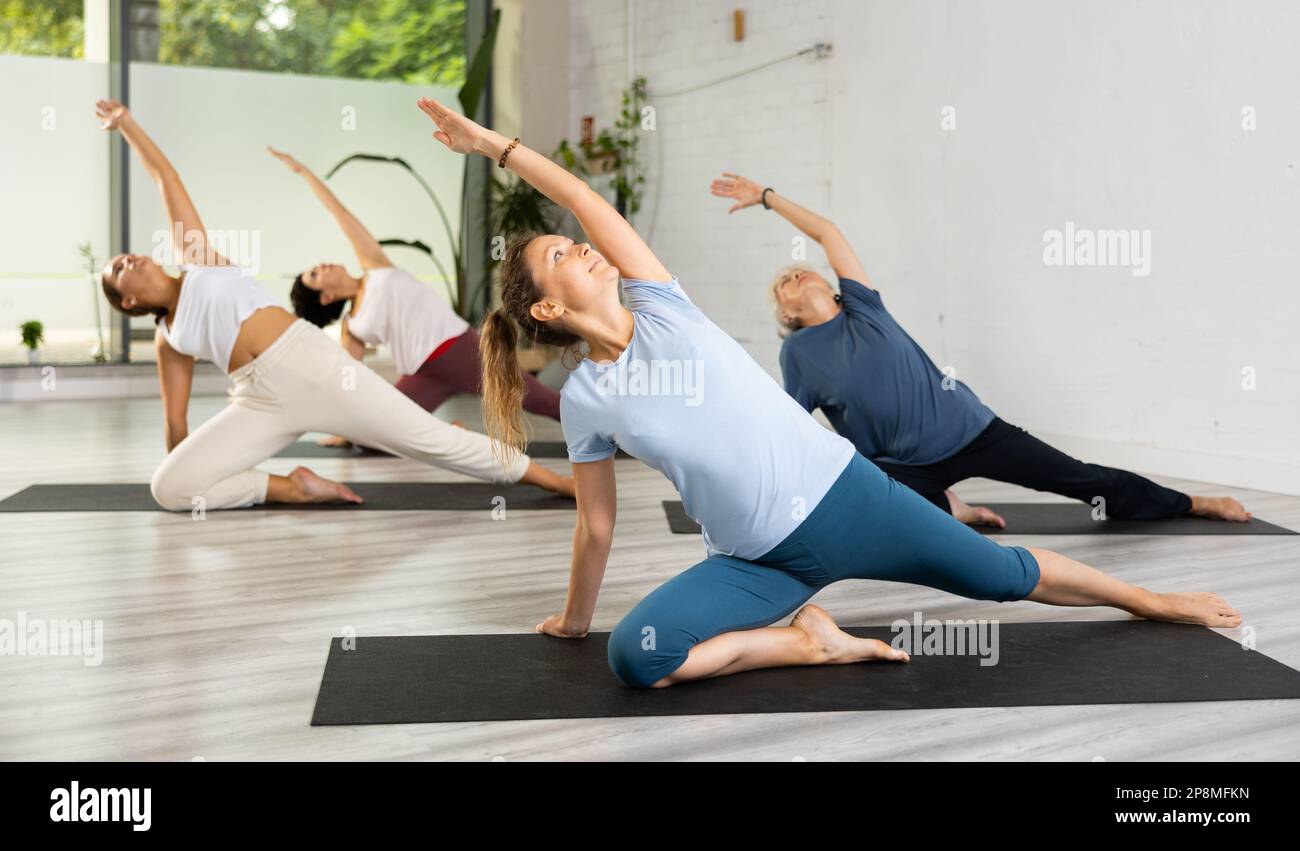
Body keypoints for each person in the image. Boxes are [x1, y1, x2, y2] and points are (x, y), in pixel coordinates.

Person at [416, 96, 1241, 690]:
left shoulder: (663, 306)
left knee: (1001, 576)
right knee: (639, 657)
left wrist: (492, 144)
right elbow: (596, 523)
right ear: (551, 308)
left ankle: (1151, 598)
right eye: (561, 258)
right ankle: (807, 640)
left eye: (575, 245)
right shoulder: (591, 402)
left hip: (852, 501)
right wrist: (573, 619)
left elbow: (585, 201)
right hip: (752, 559)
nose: (582, 250)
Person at [94, 99, 572, 510]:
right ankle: (292, 488)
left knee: (431, 441)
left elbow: (165, 176)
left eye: (125, 256)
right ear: (130, 301)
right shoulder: (168, 339)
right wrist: (188, 462)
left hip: (307, 364)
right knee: (169, 488)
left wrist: (127, 125)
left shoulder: (197, 260)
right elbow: (175, 422)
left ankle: (552, 480)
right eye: (118, 270)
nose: (129, 259)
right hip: (257, 400)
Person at [710, 172, 1251, 529]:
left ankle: (1190, 503)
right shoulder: (799, 353)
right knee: (875, 511)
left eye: (801, 269)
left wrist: (765, 198)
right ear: (787, 314)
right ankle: (951, 506)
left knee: (1085, 480)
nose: (795, 274)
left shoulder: (863, 310)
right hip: (902, 467)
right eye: (783, 282)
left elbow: (828, 234)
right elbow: (793, 425)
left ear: (830, 288)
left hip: (971, 431)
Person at [269, 147, 561, 440]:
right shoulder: (351, 327)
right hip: (422, 372)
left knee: (534, 397)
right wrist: (345, 427)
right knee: (380, 438)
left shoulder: (374, 266)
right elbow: (350, 380)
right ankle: (451, 433)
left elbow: (340, 213)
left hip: (457, 349)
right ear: (325, 298)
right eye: (315, 274)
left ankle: (603, 428)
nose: (321, 266)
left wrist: (304, 173)